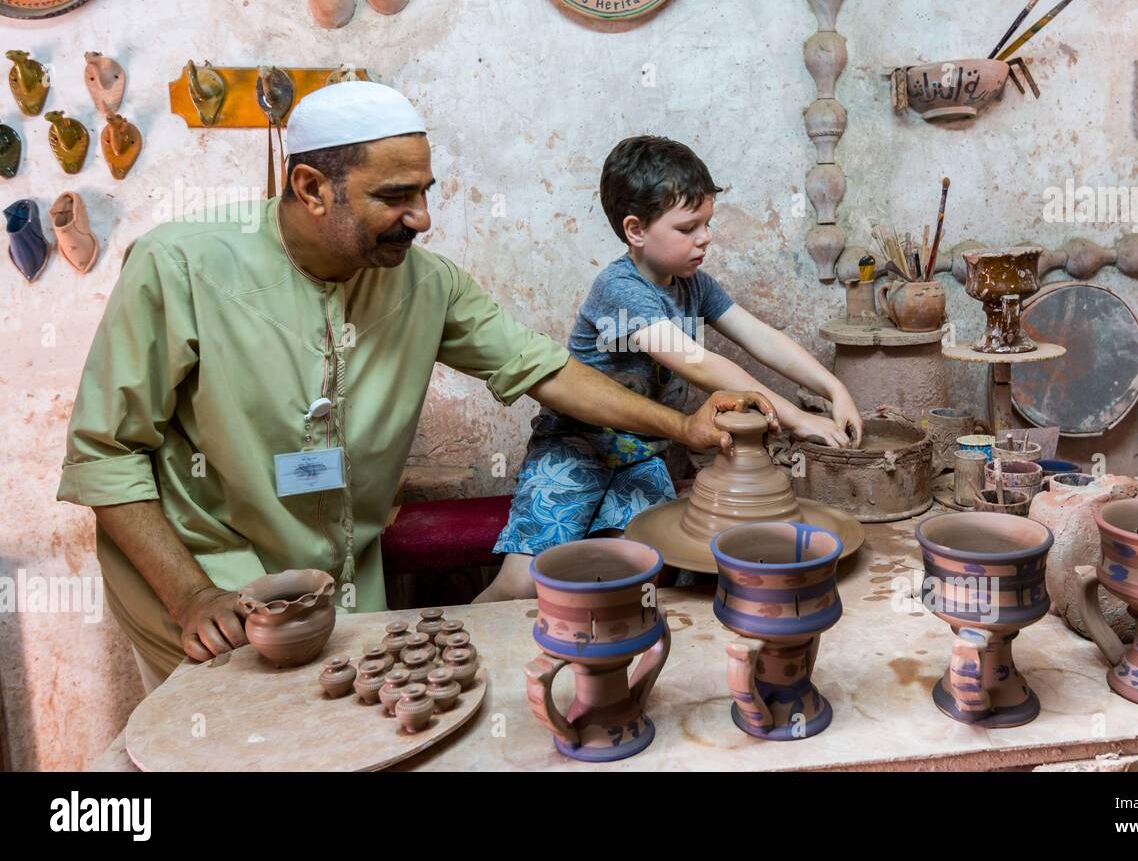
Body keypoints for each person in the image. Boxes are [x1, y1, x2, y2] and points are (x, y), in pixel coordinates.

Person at [56, 85, 772, 690]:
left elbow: (545, 370)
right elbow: (105, 453)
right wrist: (189, 596)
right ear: (310, 189)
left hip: (339, 582)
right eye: (394, 196)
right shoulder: (180, 265)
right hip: (208, 583)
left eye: (424, 192)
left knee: (352, 738)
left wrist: (682, 429)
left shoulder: (426, 284)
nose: (423, 218)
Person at [477, 135, 861, 602]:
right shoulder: (619, 289)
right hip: (576, 446)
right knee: (522, 584)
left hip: (641, 456)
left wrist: (833, 388)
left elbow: (761, 337)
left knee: (638, 577)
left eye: (707, 224)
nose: (705, 238)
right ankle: (460, 650)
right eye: (687, 228)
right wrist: (799, 419)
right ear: (635, 230)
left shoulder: (693, 285)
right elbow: (697, 363)